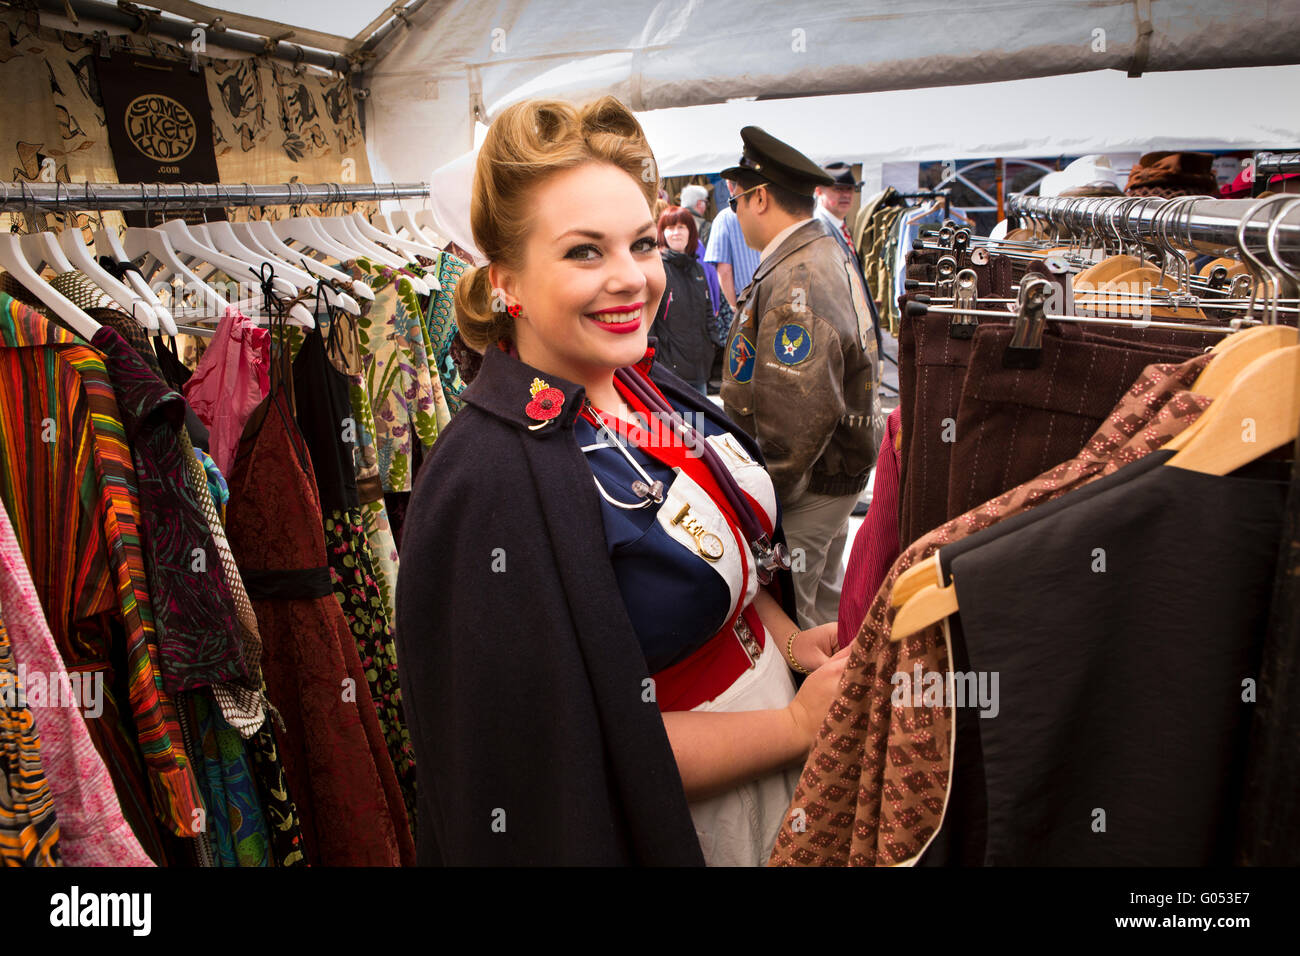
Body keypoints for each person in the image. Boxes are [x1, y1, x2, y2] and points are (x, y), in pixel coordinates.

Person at [394, 96, 850, 867]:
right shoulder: (485, 482)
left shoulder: (643, 383)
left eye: (641, 243)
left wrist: (792, 645)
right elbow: (565, 761)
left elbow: (725, 558)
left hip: (781, 762)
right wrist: (795, 726)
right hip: (695, 827)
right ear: (505, 280)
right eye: (583, 252)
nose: (630, 279)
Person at [720, 126, 883, 631]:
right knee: (828, 614)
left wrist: (760, 502)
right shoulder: (815, 252)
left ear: (761, 197)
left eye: (737, 201)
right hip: (832, 475)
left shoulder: (799, 276)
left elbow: (795, 415)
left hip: (804, 486)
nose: (735, 213)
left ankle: (814, 711)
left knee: (797, 626)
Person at [815, 161, 883, 354]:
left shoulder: (836, 226)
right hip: (838, 338)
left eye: (850, 189)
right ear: (819, 191)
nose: (845, 195)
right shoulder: (820, 229)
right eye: (837, 189)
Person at [654, 205, 716, 395]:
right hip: (669, 373)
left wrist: (712, 346)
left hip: (699, 370)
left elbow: (707, 311)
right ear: (662, 233)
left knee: (699, 424)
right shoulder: (658, 269)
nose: (675, 233)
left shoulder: (697, 269)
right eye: (670, 228)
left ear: (691, 231)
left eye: (681, 227)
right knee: (674, 424)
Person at [703, 180, 762, 310]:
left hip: (747, 301)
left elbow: (724, 270)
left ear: (729, 185)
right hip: (775, 295)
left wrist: (734, 306)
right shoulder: (771, 212)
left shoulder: (724, 219)